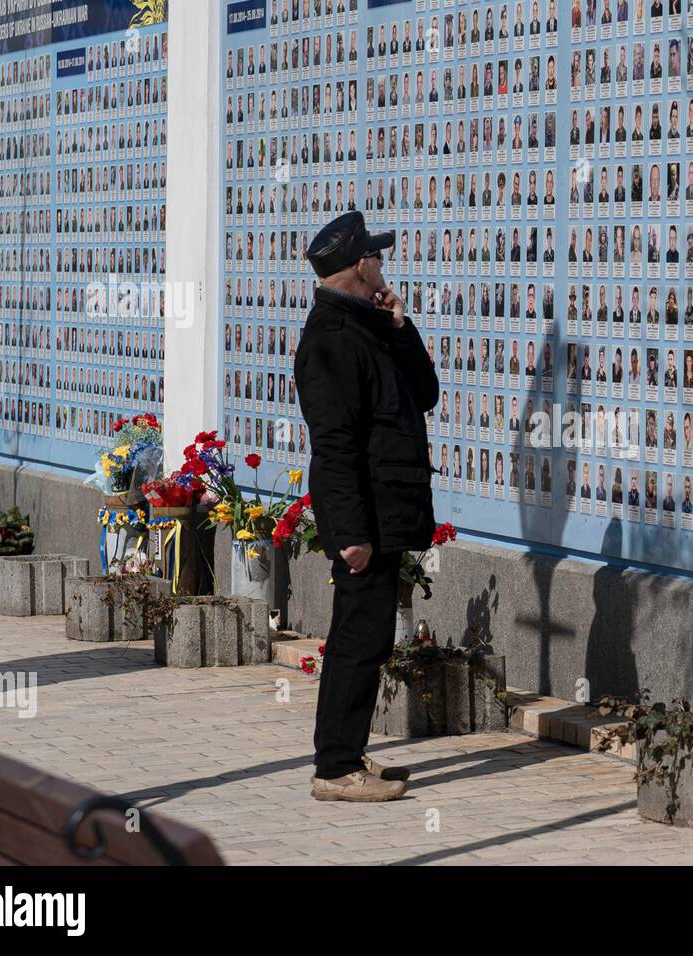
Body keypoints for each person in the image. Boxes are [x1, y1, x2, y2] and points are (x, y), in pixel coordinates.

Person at [296, 212, 439, 803]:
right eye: (375, 257)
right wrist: (350, 532)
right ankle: (335, 769)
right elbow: (334, 447)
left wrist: (401, 329)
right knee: (357, 637)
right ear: (360, 265)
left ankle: (346, 754)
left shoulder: (368, 327)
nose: (382, 264)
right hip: (366, 521)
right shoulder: (331, 340)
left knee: (370, 634)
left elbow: (425, 394)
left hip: (386, 513)